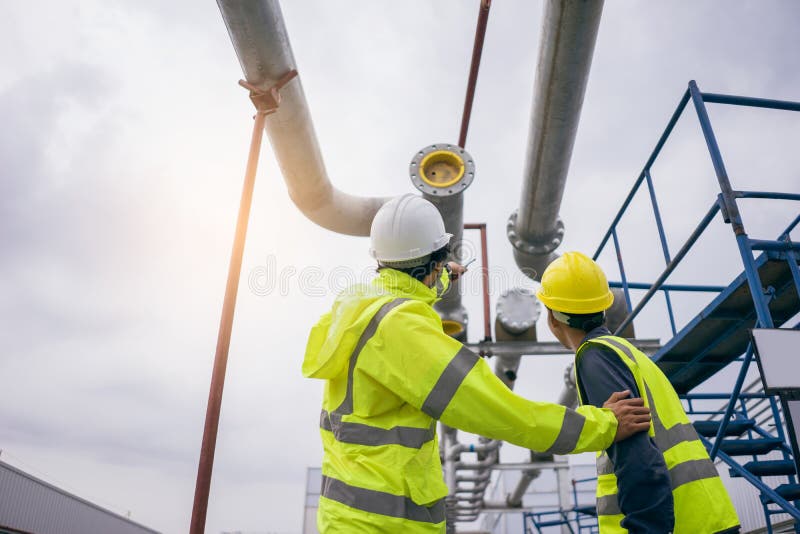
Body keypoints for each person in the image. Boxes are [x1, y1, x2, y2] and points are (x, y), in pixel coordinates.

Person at [302, 195, 651, 533]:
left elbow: (407, 285)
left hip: (349, 515)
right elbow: (502, 412)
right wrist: (602, 426)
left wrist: (440, 276)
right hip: (386, 523)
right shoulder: (403, 331)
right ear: (434, 263)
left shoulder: (361, 305)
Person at [537, 251, 741, 534]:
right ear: (604, 306)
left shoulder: (595, 357)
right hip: (705, 517)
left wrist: (645, 527)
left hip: (675, 525)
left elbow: (637, 456)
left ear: (552, 317)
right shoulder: (628, 353)